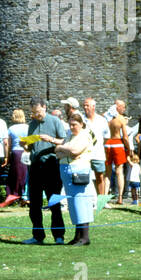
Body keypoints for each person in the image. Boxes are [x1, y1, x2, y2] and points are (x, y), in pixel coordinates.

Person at [24, 97, 67, 244]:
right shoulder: (32, 124)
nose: (36, 115)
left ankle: (59, 235)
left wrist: (50, 139)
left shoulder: (55, 121)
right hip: (35, 165)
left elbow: (64, 140)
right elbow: (29, 146)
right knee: (34, 203)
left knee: (53, 201)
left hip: (51, 165)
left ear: (44, 107)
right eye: (34, 113)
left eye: (38, 112)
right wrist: (25, 143)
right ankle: (37, 236)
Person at [53, 112, 96, 246]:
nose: (72, 127)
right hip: (67, 171)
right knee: (73, 204)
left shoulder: (84, 136)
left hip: (78, 171)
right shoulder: (69, 136)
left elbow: (75, 151)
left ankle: (84, 237)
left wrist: (63, 148)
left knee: (81, 202)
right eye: (70, 124)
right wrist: (64, 149)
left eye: (75, 124)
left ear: (81, 124)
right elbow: (58, 152)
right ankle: (77, 236)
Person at [104, 101, 133, 206]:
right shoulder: (121, 119)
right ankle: (120, 197)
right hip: (117, 143)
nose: (124, 109)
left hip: (107, 143)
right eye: (123, 107)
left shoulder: (106, 117)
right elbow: (125, 137)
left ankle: (104, 197)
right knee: (119, 171)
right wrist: (128, 149)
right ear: (118, 107)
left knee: (107, 173)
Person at [82, 98, 109, 194]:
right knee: (83, 177)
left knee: (100, 176)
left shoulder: (102, 120)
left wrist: (98, 145)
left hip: (98, 154)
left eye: (87, 105)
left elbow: (106, 137)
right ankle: (87, 199)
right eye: (84, 105)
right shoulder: (80, 119)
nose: (85, 107)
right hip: (83, 154)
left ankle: (101, 200)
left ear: (93, 107)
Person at [6, 109, 30, 205]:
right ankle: (25, 194)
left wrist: (7, 156)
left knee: (15, 175)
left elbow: (8, 144)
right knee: (25, 174)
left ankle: (15, 194)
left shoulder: (11, 129)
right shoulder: (28, 127)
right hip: (26, 151)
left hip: (16, 152)